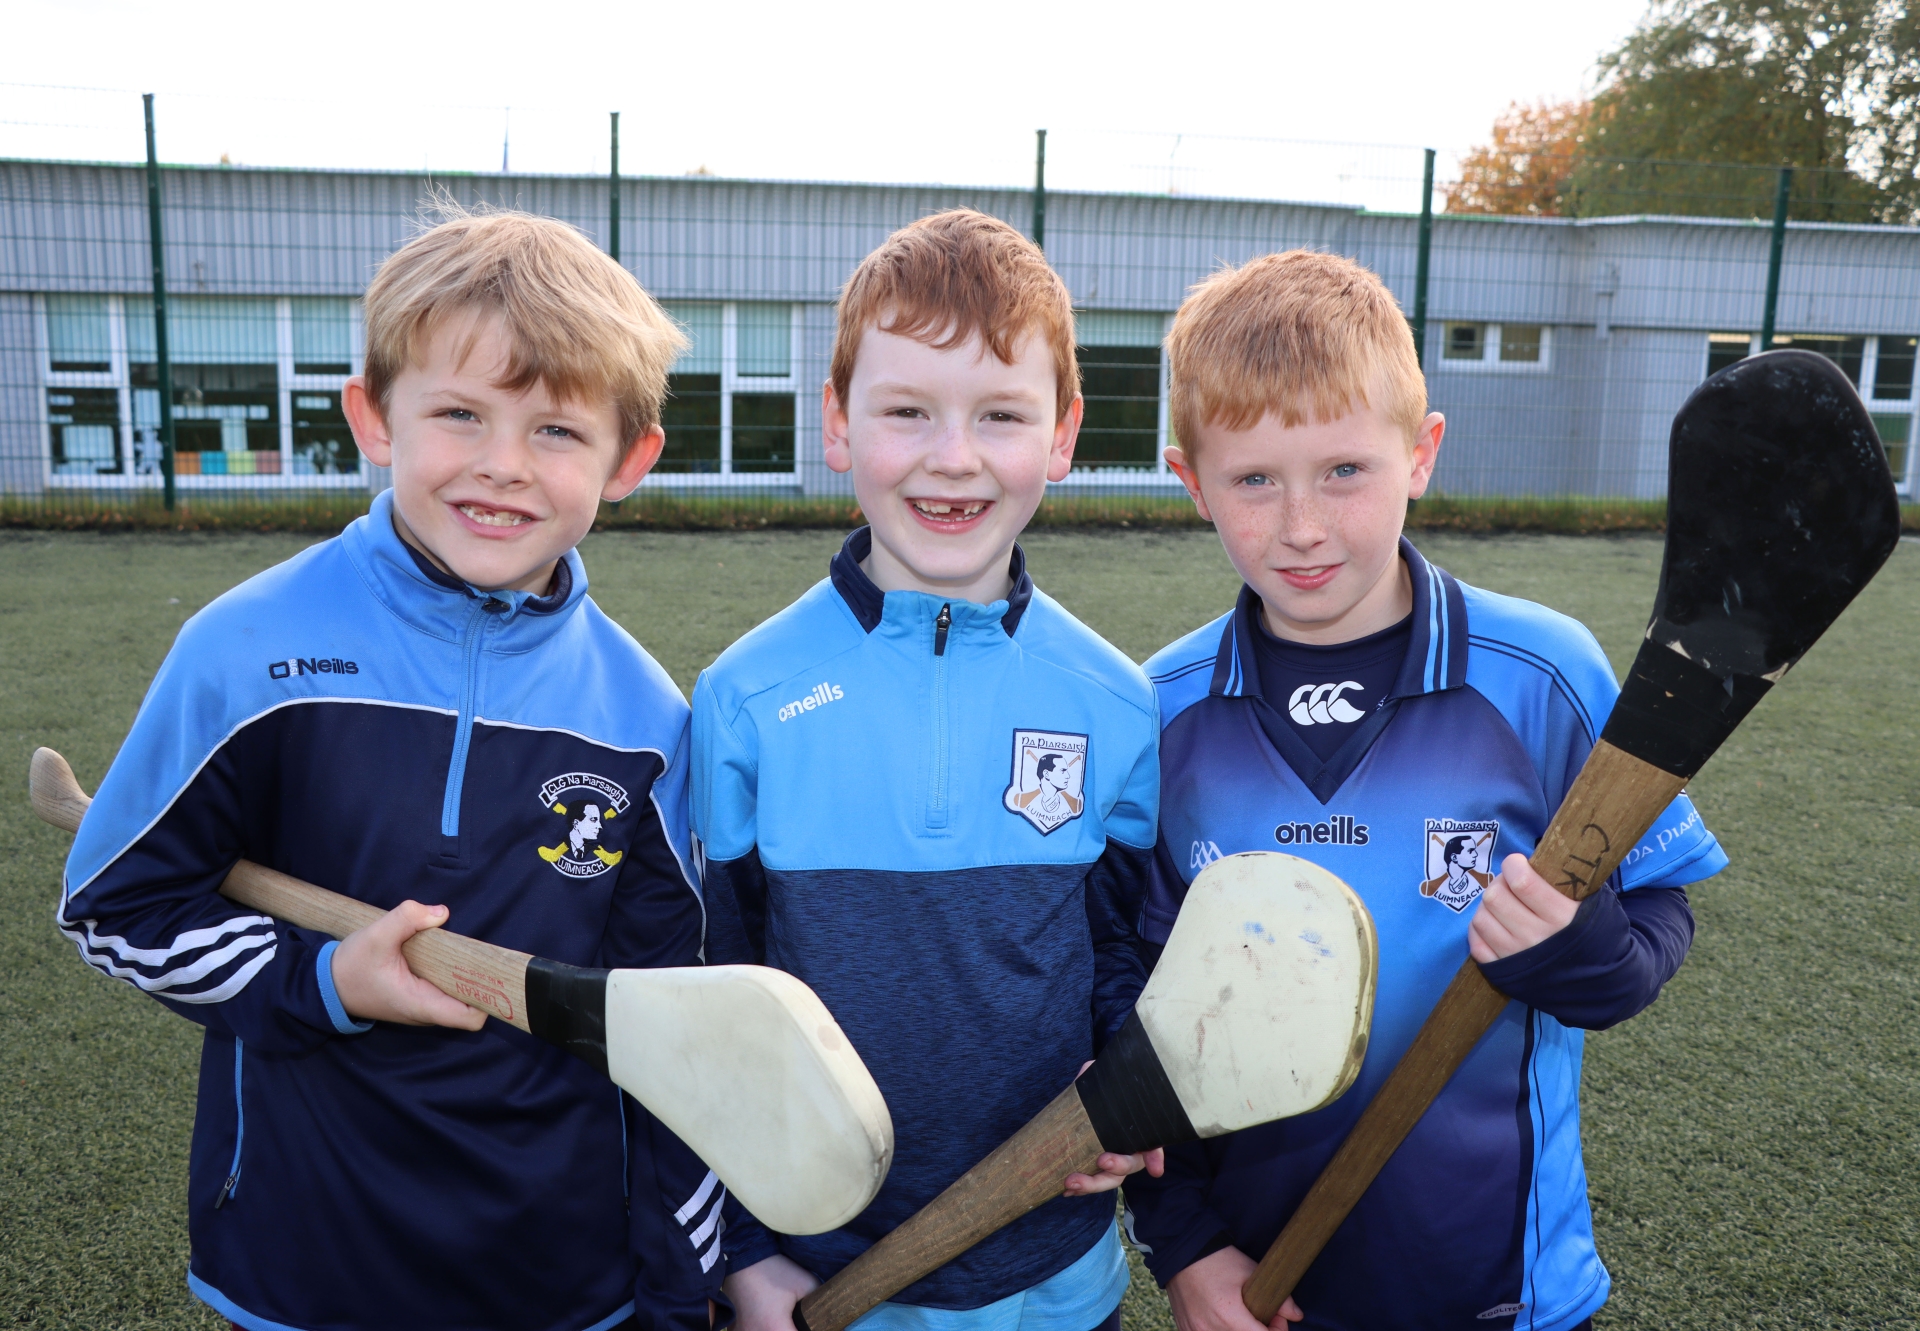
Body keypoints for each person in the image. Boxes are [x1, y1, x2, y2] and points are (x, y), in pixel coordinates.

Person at [58, 208, 722, 1331]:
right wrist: (325, 983)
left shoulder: (646, 719)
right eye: (459, 413)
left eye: (557, 430)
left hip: (563, 1279)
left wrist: (679, 1285)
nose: (502, 466)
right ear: (374, 416)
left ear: (630, 460)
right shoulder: (245, 652)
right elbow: (115, 906)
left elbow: (667, 1028)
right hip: (303, 1260)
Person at [1124, 250, 1726, 1331]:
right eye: (1255, 478)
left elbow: (1655, 918)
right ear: (1190, 479)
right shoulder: (1158, 712)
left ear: (1422, 453)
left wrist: (1582, 956)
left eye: (1344, 470)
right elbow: (1137, 1010)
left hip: (1506, 1292)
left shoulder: (1544, 675)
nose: (1302, 524)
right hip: (1262, 1289)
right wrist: (1185, 1243)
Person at [695, 209, 1162, 1331]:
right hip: (818, 1281)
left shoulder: (1115, 700)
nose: (955, 457)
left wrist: (1132, 1087)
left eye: (1001, 415)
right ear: (840, 425)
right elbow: (702, 1009)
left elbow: (1120, 957)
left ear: (1061, 436)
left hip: (1053, 1277)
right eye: (908, 411)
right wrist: (746, 1256)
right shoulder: (746, 695)